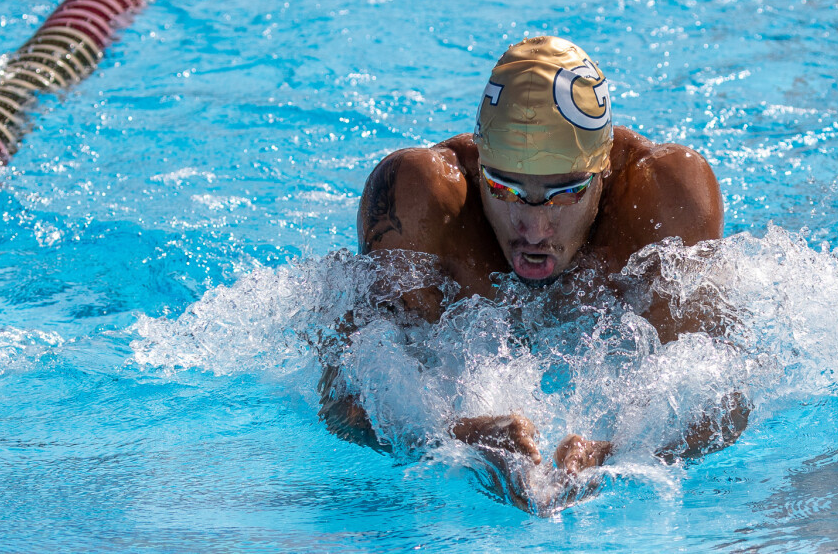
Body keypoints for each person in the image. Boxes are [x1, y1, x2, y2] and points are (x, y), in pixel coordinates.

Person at [319, 35, 747, 481]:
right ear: (479, 163)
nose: (534, 230)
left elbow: (724, 400)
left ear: (602, 167)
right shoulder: (420, 201)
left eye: (566, 193)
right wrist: (459, 437)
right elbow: (342, 396)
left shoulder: (664, 200)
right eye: (505, 189)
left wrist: (618, 455)